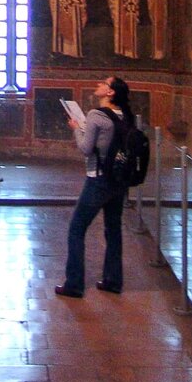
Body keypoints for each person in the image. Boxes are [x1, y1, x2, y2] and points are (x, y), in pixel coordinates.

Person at [56, 76, 135, 298]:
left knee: (76, 228)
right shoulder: (125, 115)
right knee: (113, 229)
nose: (98, 84)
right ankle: (113, 280)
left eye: (104, 83)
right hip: (118, 180)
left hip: (98, 178)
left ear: (110, 93)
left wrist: (75, 128)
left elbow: (85, 148)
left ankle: (74, 284)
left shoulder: (96, 115)